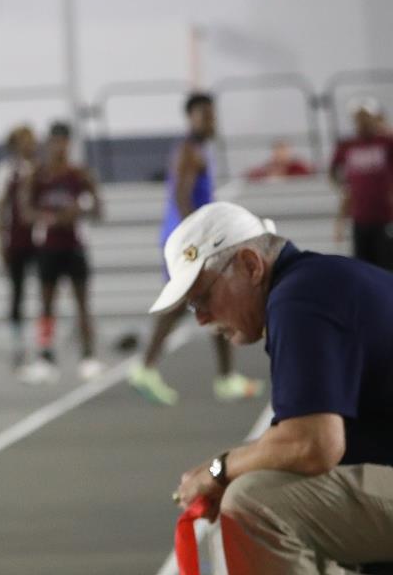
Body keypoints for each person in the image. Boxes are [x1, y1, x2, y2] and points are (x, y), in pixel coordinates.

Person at [160, 202, 393, 573]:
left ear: (251, 265)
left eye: (202, 297)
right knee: (280, 483)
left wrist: (220, 470)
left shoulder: (298, 300)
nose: (202, 318)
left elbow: (313, 444)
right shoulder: (317, 283)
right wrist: (236, 466)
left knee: (255, 503)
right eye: (192, 307)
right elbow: (296, 442)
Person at [131, 92, 263, 406]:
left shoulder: (197, 150)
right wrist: (198, 239)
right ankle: (147, 368)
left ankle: (225, 377)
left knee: (213, 301)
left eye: (213, 114)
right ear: (191, 117)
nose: (212, 120)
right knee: (188, 303)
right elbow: (181, 196)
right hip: (188, 242)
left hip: (189, 238)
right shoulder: (190, 152)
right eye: (206, 115)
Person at [19, 124, 103, 384]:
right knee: (46, 305)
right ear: (49, 143)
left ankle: (88, 357)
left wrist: (78, 211)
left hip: (74, 245)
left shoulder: (79, 174)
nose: (59, 147)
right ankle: (46, 357)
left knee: (82, 304)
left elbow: (98, 209)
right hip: (49, 247)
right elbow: (25, 212)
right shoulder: (38, 175)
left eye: (64, 141)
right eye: (55, 141)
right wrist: (48, 218)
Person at [0, 123, 40, 370]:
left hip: (41, 239)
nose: (28, 146)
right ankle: (18, 343)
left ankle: (44, 343)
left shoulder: (41, 169)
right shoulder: (4, 171)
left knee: (46, 292)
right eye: (23, 141)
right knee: (17, 292)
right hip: (17, 240)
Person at [331, 100, 391, 269]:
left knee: (387, 266)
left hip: (386, 217)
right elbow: (335, 174)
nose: (363, 122)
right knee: (364, 267)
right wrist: (340, 222)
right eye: (359, 118)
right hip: (360, 218)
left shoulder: (386, 143)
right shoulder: (348, 145)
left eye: (367, 117)